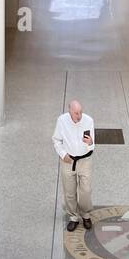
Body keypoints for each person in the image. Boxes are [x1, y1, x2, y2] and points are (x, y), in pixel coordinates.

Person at [52, 99, 95, 232]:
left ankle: (86, 214)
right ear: (69, 112)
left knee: (86, 191)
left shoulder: (88, 121)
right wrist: (63, 154)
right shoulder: (62, 121)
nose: (79, 115)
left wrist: (90, 143)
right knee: (69, 192)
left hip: (85, 160)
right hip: (68, 161)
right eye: (76, 113)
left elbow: (92, 144)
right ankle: (73, 217)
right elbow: (56, 140)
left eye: (80, 112)